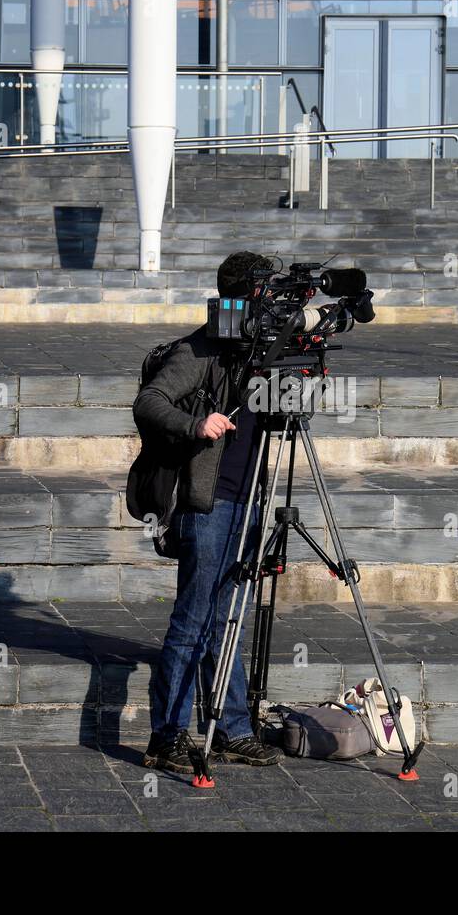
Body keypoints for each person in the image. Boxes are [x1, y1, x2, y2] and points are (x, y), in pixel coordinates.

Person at [133, 251, 283, 774]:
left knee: (228, 621)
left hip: (249, 497)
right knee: (194, 619)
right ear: (241, 295)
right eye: (264, 292)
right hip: (207, 501)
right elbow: (150, 402)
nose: (271, 302)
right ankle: (166, 736)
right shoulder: (199, 347)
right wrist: (196, 426)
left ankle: (231, 729)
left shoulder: (266, 351)